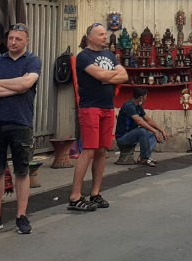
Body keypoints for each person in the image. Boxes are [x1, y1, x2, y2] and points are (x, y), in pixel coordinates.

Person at [0, 23, 42, 233]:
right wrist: (17, 86)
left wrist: (2, 84)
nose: (13, 42)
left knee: (21, 170)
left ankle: (21, 215)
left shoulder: (32, 61)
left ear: (27, 41)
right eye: (11, 38)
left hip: (21, 122)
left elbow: (26, 84)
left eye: (18, 39)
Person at [69, 22, 127, 212]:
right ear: (90, 37)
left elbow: (124, 76)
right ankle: (75, 196)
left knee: (102, 150)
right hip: (90, 107)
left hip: (107, 107)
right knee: (89, 151)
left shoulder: (109, 55)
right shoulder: (83, 57)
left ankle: (96, 193)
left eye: (105, 34)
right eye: (101, 34)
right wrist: (109, 75)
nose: (105, 37)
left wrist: (105, 76)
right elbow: (100, 75)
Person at [114, 88, 167, 165]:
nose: (146, 98)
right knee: (142, 131)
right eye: (146, 96)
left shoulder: (139, 106)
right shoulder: (129, 106)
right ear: (141, 98)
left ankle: (143, 157)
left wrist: (161, 131)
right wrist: (154, 131)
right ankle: (144, 158)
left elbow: (148, 120)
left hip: (132, 135)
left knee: (152, 135)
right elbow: (139, 121)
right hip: (123, 138)